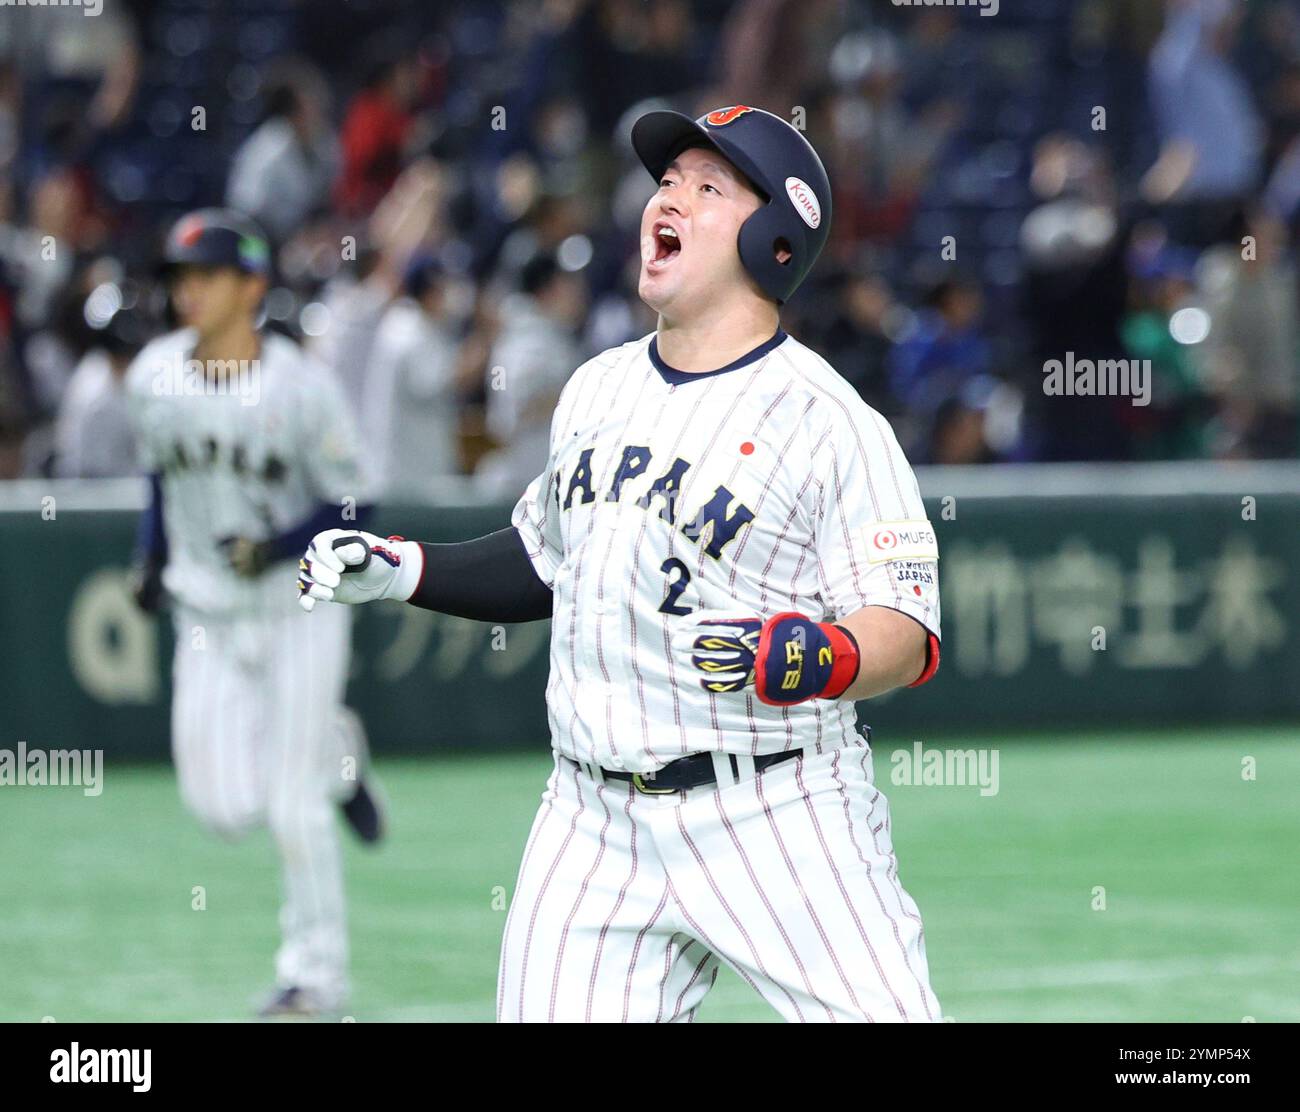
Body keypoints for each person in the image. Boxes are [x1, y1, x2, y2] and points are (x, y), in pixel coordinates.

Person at [297, 107, 942, 1022]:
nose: (667, 200)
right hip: (592, 818)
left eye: (707, 187)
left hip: (775, 808)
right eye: (667, 181)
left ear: (774, 239)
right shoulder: (597, 388)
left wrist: (809, 655)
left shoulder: (832, 423)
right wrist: (407, 570)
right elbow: (544, 556)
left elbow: (906, 634)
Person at [125, 209, 385, 1018]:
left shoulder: (301, 387)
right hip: (204, 608)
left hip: (298, 604)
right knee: (222, 806)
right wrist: (149, 556)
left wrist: (276, 547)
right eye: (178, 277)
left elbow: (356, 499)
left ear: (251, 285)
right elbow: (161, 478)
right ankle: (340, 749)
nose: (187, 291)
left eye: (204, 276)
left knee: (289, 805)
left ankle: (316, 979)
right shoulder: (153, 375)